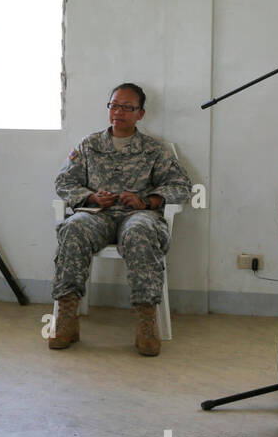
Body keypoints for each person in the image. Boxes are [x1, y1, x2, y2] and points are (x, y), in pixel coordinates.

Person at [51, 83, 190, 356]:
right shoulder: (89, 145)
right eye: (115, 105)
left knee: (141, 231)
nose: (119, 112)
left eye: (128, 107)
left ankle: (146, 322)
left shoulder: (154, 150)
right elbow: (64, 182)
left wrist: (147, 201)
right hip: (97, 216)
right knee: (73, 228)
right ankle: (67, 316)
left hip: (137, 216)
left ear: (141, 114)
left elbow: (181, 186)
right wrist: (91, 197)